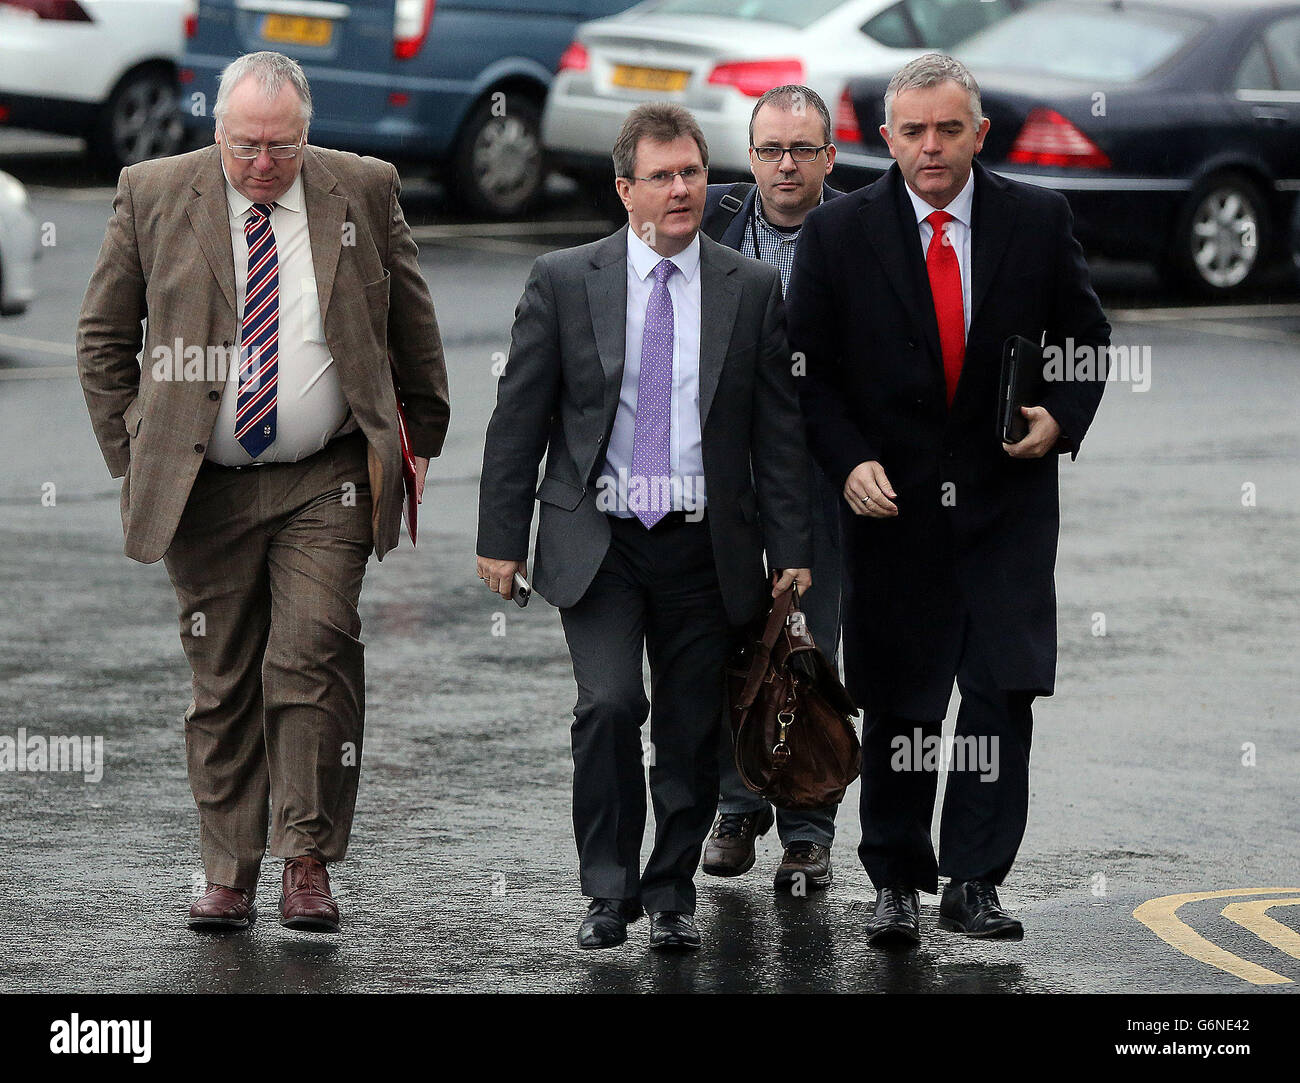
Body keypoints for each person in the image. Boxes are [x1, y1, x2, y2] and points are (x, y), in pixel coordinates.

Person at [77, 51, 450, 934]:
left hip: (326, 478)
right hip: (202, 485)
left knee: (313, 655)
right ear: (218, 131)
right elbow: (100, 339)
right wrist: (139, 459)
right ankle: (228, 869)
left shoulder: (361, 188)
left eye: (281, 148)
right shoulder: (154, 192)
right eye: (246, 146)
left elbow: (413, 320)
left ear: (306, 135)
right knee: (223, 677)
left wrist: (420, 437)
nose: (262, 165)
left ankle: (306, 859)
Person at [786, 54, 1110, 946]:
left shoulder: (1037, 221)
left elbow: (1085, 338)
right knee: (903, 696)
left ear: (979, 133)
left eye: (948, 129)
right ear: (886, 139)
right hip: (894, 510)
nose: (932, 147)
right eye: (914, 131)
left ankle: (974, 881)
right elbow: (807, 372)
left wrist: (1061, 417)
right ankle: (895, 879)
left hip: (1006, 505)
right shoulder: (840, 233)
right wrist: (847, 461)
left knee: (1000, 692)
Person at [476, 102, 812, 951]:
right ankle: (607, 890)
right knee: (610, 705)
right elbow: (520, 417)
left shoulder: (750, 287)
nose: (681, 189)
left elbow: (777, 434)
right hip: (602, 541)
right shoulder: (563, 279)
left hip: (707, 546)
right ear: (624, 189)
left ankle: (670, 895)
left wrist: (792, 551)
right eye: (660, 176)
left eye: (693, 172)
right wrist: (501, 535)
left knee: (691, 727)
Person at [698, 84, 844, 894]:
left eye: (802, 149)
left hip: (825, 475)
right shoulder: (707, 218)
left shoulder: (861, 230)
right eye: (769, 149)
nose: (784, 164)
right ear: (749, 155)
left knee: (810, 646)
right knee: (727, 639)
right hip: (724, 470)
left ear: (829, 155)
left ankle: (809, 830)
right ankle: (735, 803)